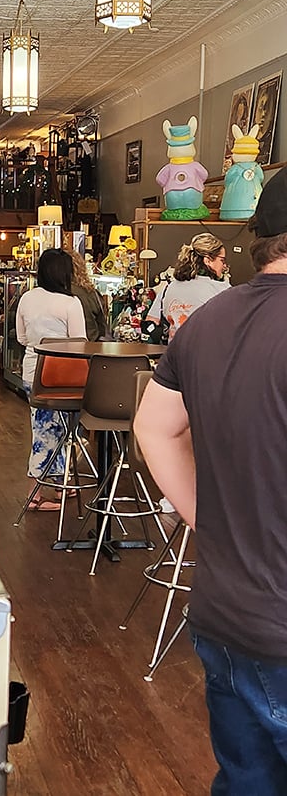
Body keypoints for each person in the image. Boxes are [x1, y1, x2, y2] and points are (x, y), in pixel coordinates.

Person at [133, 165, 287, 795]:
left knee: (246, 781)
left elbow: (153, 427)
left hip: (223, 612)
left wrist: (209, 521)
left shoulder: (209, 321)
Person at [16, 249, 86, 510]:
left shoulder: (27, 298)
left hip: (32, 372)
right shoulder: (70, 303)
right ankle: (34, 494)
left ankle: (59, 485)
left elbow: (22, 338)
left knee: (47, 428)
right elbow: (79, 343)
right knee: (50, 432)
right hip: (62, 376)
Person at [146, 232, 229, 342]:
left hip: (174, 350)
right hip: (208, 350)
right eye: (222, 260)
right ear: (208, 260)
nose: (224, 266)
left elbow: (151, 322)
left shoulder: (168, 288)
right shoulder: (223, 290)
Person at [69, 249, 108, 341]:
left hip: (66, 345)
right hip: (91, 342)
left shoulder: (60, 292)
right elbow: (101, 324)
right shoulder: (92, 293)